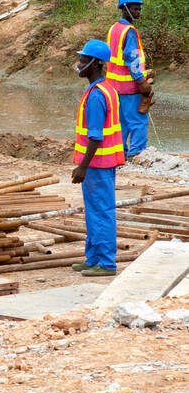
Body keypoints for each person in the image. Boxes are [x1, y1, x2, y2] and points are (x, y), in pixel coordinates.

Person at [71, 39, 125, 277]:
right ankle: (92, 258)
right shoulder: (107, 89)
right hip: (103, 164)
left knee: (101, 212)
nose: (80, 63)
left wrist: (82, 167)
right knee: (94, 211)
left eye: (84, 59)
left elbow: (95, 136)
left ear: (96, 64)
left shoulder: (96, 95)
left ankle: (105, 263)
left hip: (96, 165)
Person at [105, 0, 150, 159]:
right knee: (138, 121)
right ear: (124, 9)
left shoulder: (113, 28)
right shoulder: (129, 31)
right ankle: (136, 154)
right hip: (129, 87)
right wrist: (141, 80)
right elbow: (130, 57)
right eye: (135, 9)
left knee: (121, 122)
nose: (138, 12)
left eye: (139, 9)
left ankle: (120, 154)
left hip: (114, 86)